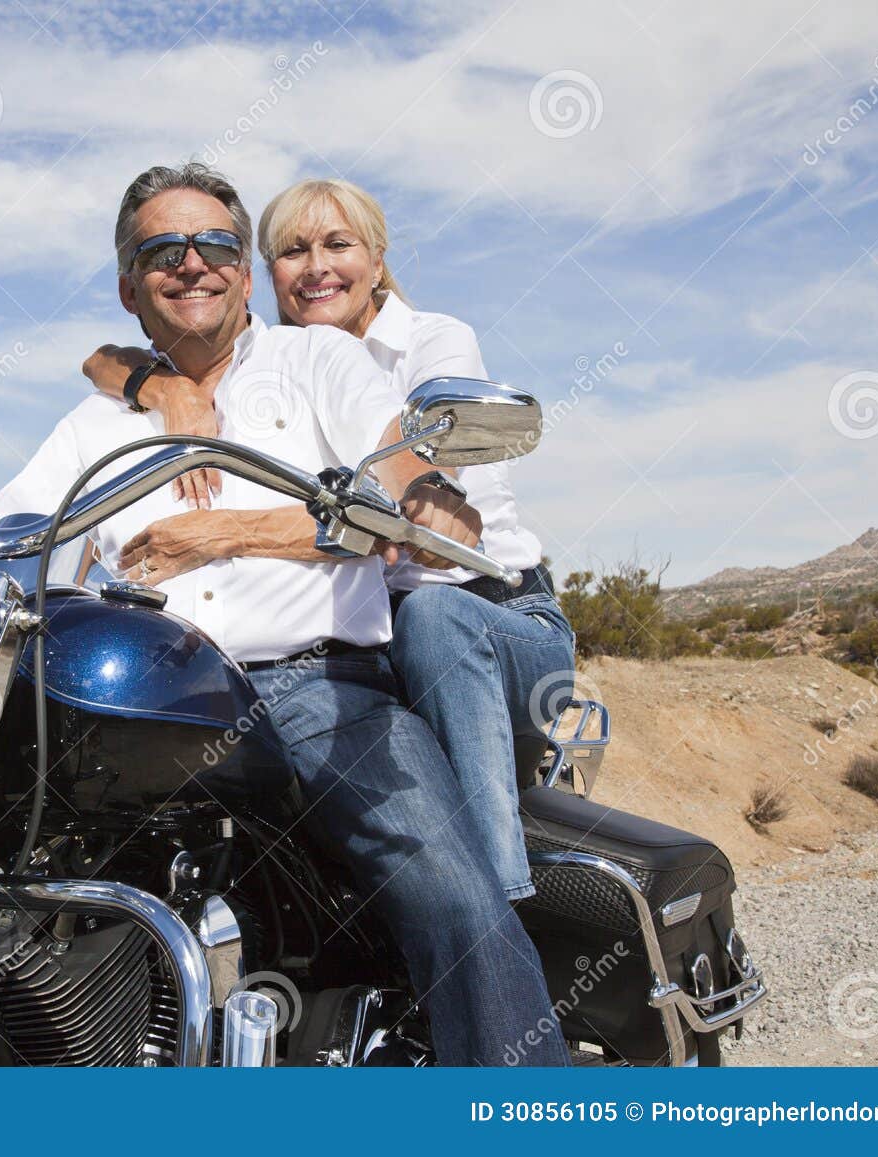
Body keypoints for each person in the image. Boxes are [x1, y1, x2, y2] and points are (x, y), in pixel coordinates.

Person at [0, 162, 566, 1065]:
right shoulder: (97, 421)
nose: (190, 262)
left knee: (452, 896)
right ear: (129, 286)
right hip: (149, 701)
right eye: (160, 250)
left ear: (242, 274)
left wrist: (429, 494)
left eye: (213, 243)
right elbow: (3, 531)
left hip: (315, 687)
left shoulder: (318, 358)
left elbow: (390, 461)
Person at [80, 177, 575, 904]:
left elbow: (401, 505)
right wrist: (163, 387)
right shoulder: (271, 367)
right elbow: (102, 357)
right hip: (385, 633)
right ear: (263, 275)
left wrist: (221, 534)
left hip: (491, 613)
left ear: (377, 258)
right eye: (292, 250)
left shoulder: (432, 343)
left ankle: (495, 900)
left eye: (338, 245)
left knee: (437, 621)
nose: (316, 267)